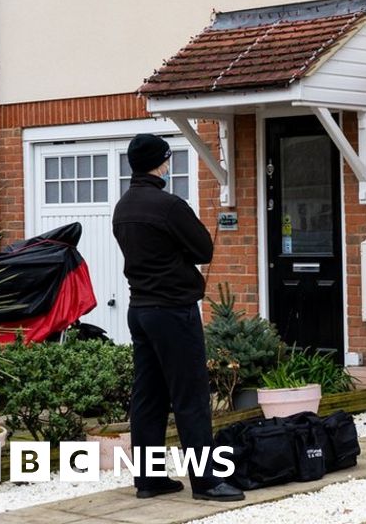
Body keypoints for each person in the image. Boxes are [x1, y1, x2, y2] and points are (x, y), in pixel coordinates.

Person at [112, 133, 244, 502]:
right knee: (191, 396)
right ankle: (206, 481)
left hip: (140, 310)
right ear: (160, 163)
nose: (169, 165)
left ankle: (149, 478)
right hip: (172, 310)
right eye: (167, 159)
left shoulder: (123, 207)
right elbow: (203, 249)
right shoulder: (169, 206)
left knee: (148, 396)